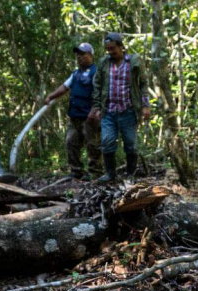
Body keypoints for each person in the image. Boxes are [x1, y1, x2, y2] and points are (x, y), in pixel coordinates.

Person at [89, 32, 150, 183]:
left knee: (131, 144)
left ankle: (130, 175)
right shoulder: (104, 63)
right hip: (108, 111)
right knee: (107, 142)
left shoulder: (134, 62)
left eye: (113, 48)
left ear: (121, 47)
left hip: (128, 110)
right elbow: (97, 85)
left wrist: (145, 105)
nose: (110, 51)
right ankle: (110, 174)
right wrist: (96, 107)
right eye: (108, 49)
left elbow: (143, 83)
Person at [44, 43, 102, 179]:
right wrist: (51, 96)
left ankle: (95, 172)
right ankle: (76, 171)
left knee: (93, 144)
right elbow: (64, 87)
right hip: (75, 116)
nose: (79, 57)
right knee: (71, 142)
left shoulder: (96, 72)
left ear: (91, 55)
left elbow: (100, 94)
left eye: (83, 54)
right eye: (78, 55)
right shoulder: (76, 73)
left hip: (90, 116)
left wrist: (94, 110)